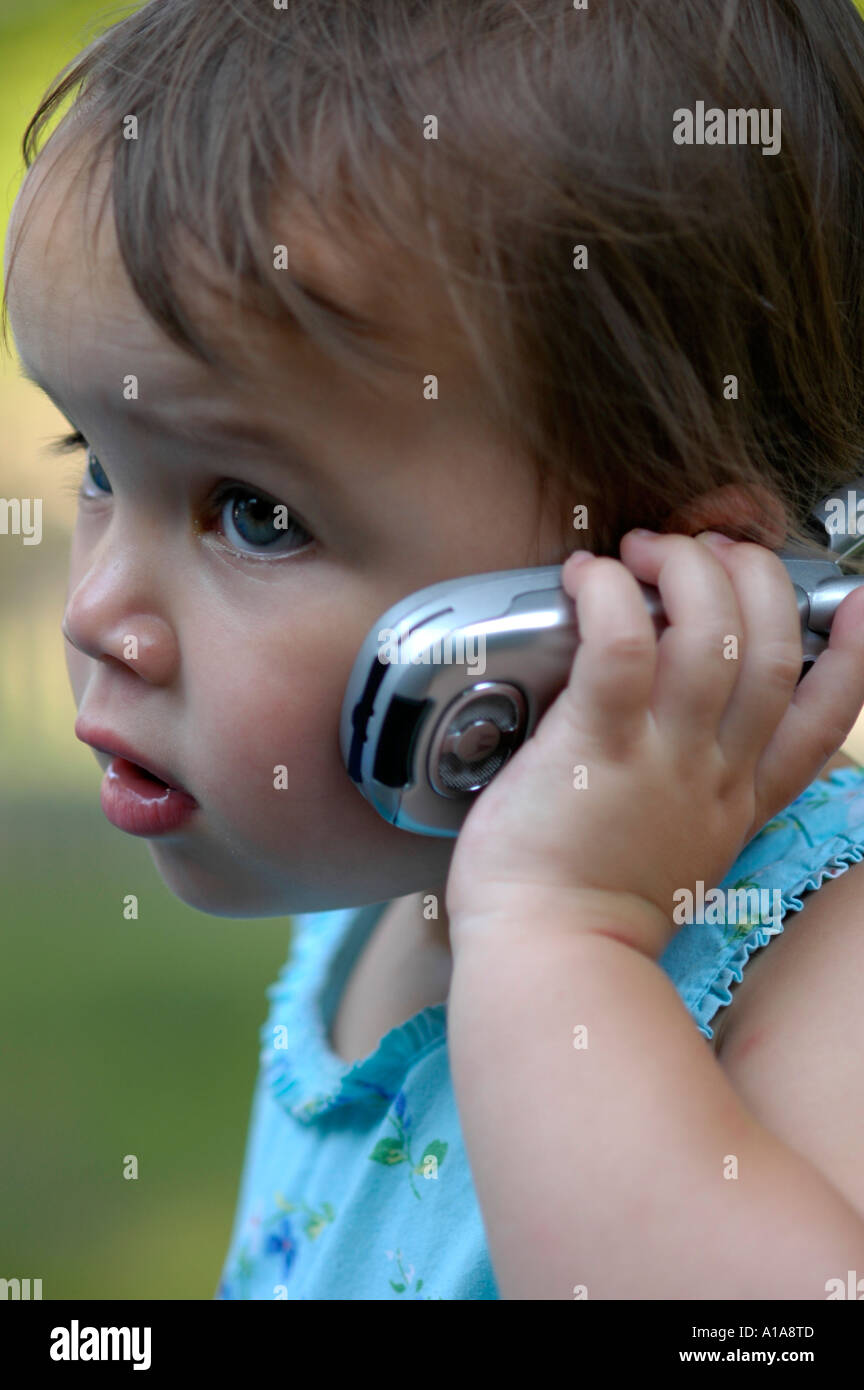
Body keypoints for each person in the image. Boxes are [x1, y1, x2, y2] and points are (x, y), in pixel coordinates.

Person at [6, 0, 864, 1300]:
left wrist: (559, 939)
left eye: (256, 512)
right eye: (99, 464)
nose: (96, 614)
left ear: (670, 593)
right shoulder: (377, 904)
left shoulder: (812, 957)